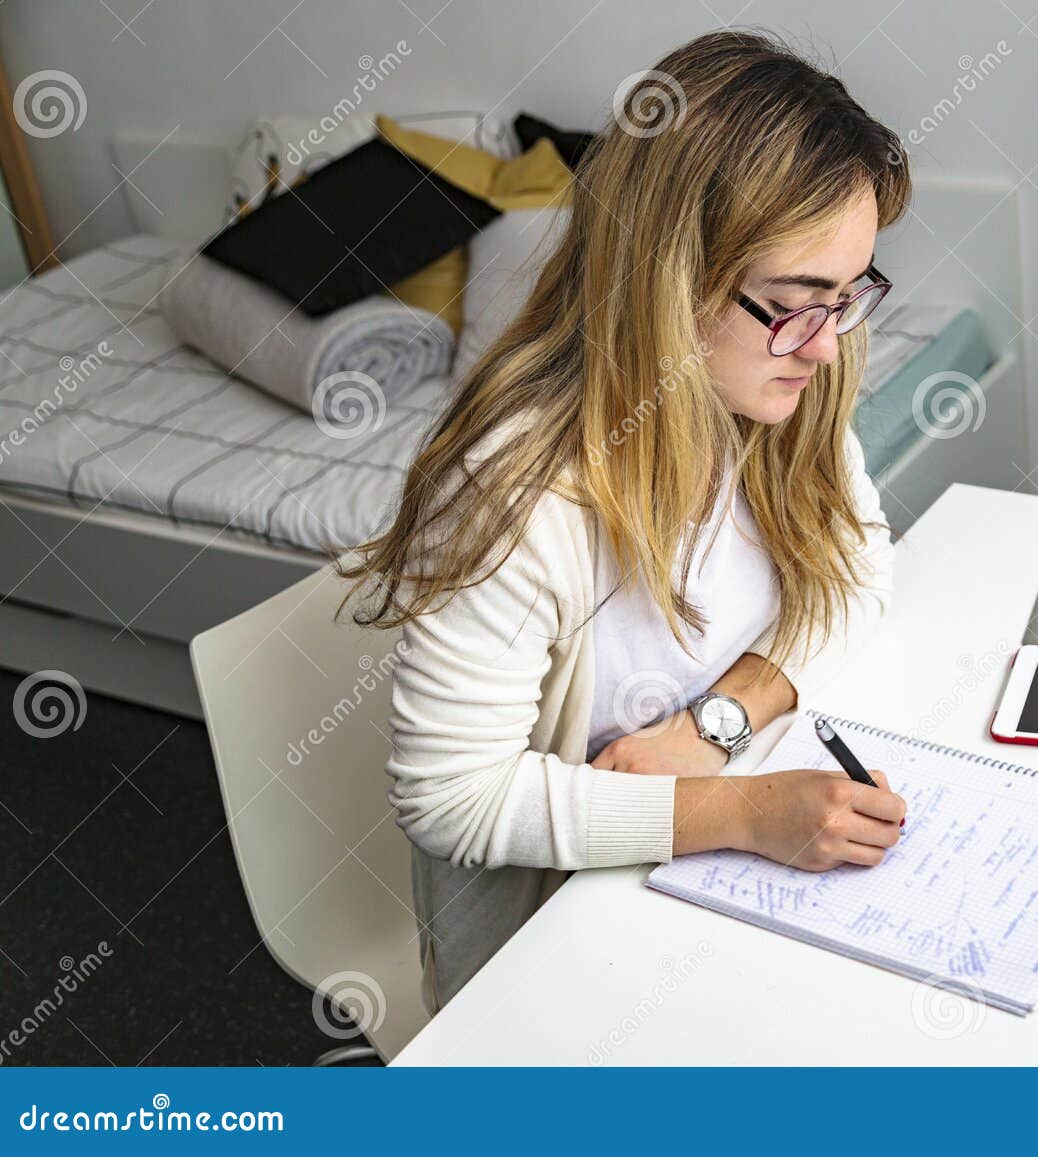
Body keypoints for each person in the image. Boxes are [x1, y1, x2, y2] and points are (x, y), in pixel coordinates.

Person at [338, 29, 910, 1010]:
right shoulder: (509, 498)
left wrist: (717, 724)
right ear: (668, 275)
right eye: (793, 302)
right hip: (556, 944)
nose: (824, 347)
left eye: (848, 294)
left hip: (709, 885)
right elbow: (451, 798)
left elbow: (856, 572)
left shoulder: (783, 392)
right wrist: (730, 809)